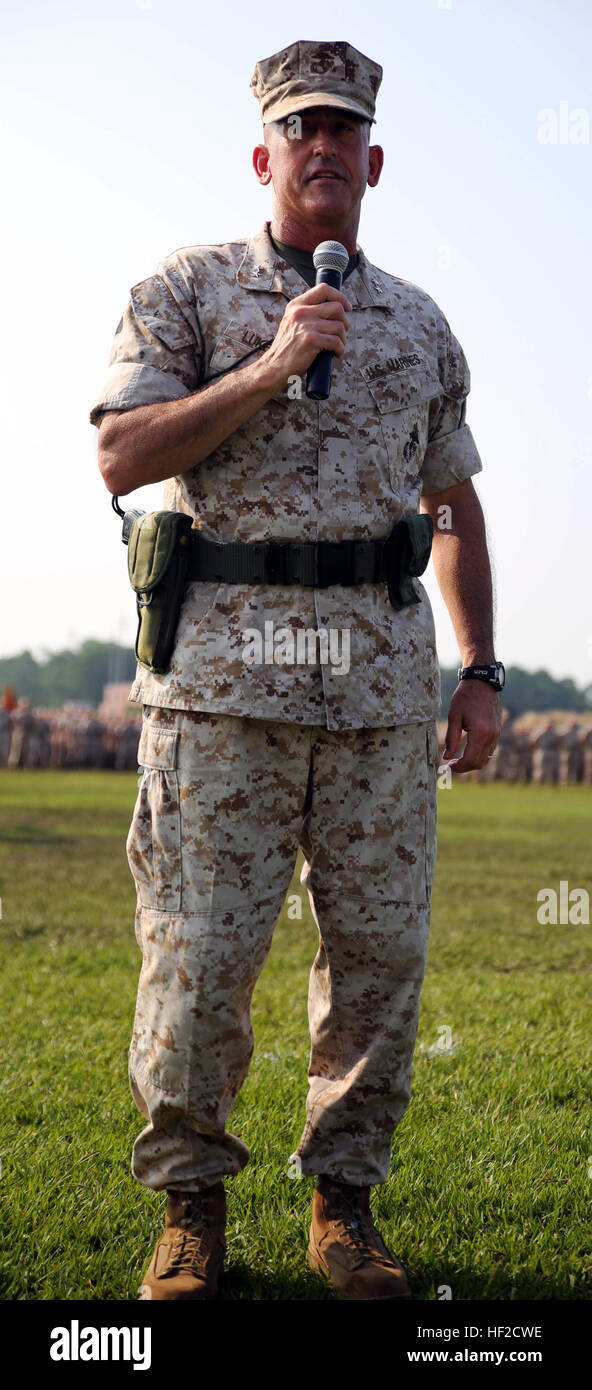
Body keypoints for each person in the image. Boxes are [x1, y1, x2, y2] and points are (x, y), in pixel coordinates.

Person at [90, 39, 503, 1301]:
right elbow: (119, 454)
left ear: (372, 162)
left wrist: (481, 670)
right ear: (262, 155)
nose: (323, 147)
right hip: (223, 690)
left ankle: (344, 1203)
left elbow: (453, 504)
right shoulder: (187, 291)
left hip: (378, 690)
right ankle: (191, 1212)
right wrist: (270, 364)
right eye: (299, 129)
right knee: (203, 954)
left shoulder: (420, 324)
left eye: (344, 132)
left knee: (379, 959)